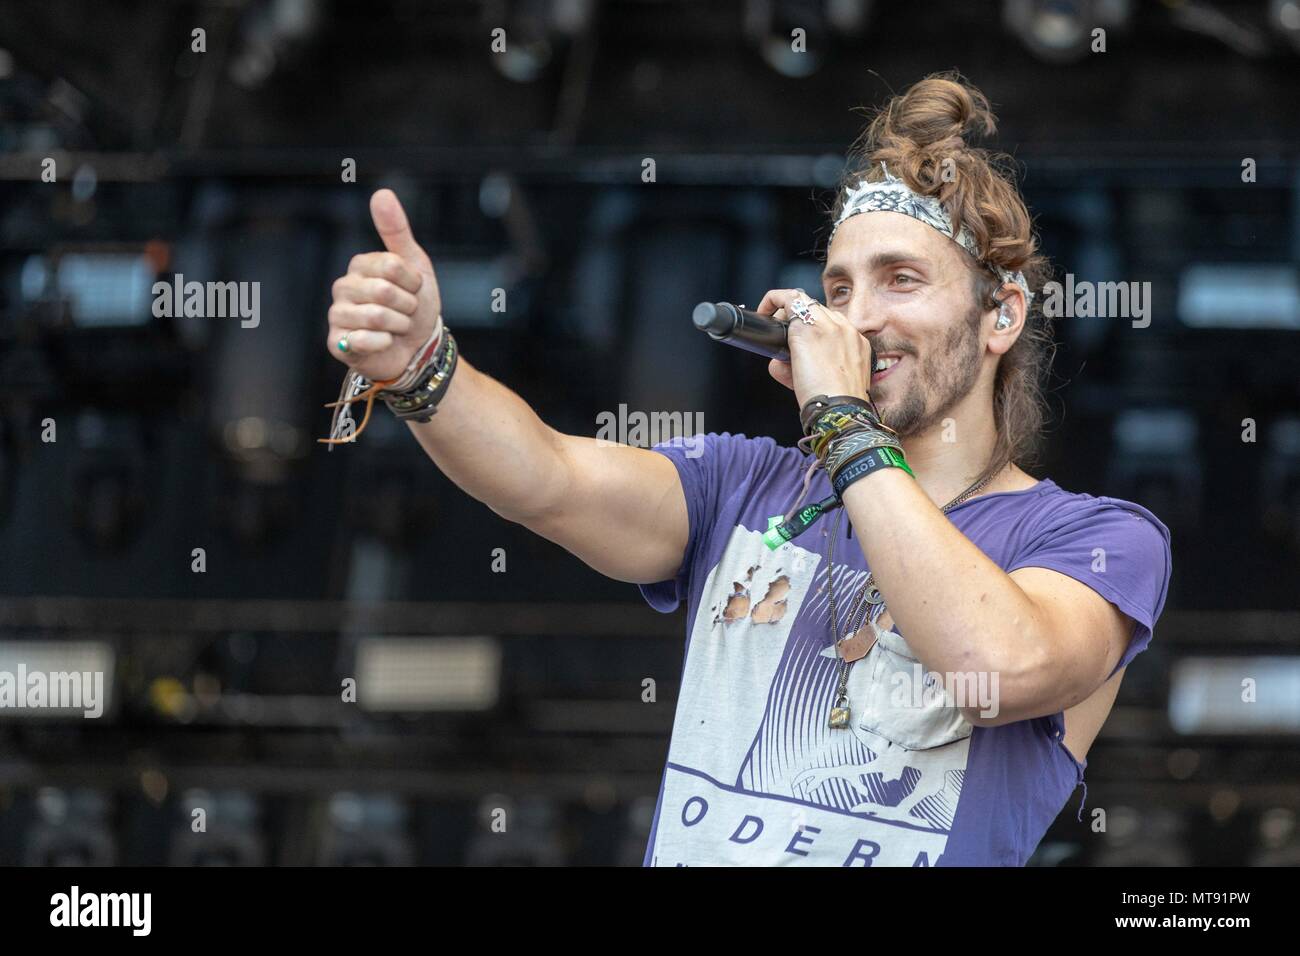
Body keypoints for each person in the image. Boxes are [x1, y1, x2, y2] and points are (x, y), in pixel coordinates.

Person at [323, 72, 1172, 867]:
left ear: (1002, 317)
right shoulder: (740, 486)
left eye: (901, 280)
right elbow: (542, 475)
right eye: (838, 291)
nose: (861, 317)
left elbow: (997, 663)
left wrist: (840, 422)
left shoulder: (1096, 540)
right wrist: (424, 364)